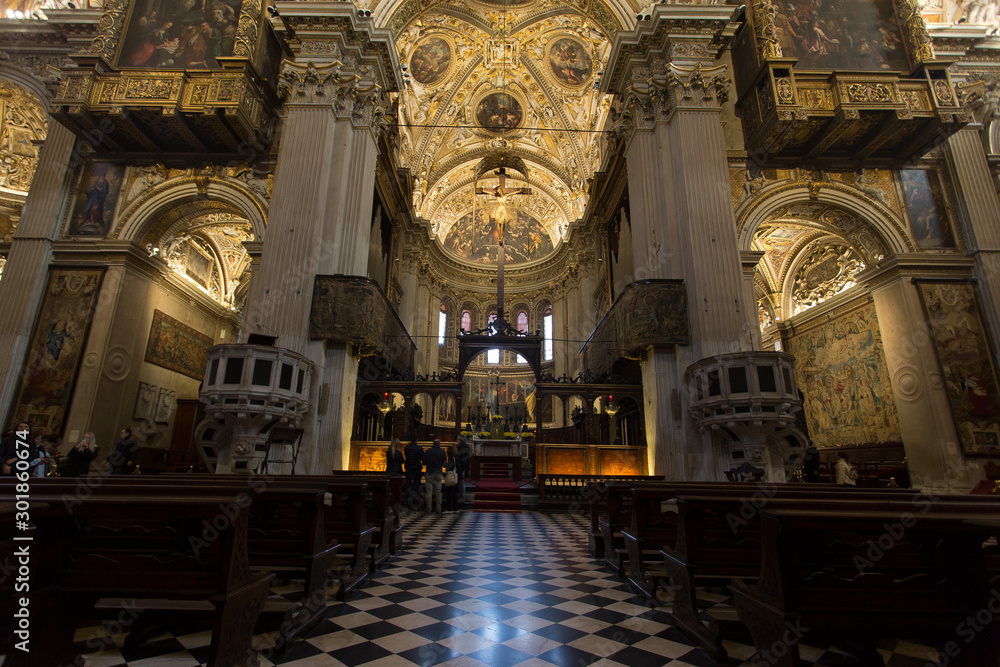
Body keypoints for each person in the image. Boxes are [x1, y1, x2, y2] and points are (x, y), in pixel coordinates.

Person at [423, 439, 447, 517]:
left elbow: (424, 462)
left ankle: (428, 509)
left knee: (429, 492)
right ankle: (438, 509)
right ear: (439, 444)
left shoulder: (427, 451)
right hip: (438, 473)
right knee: (438, 492)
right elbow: (444, 464)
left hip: (429, 473)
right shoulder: (442, 452)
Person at [403, 438, 424, 511]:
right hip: (417, 469)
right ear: (417, 440)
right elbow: (422, 457)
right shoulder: (419, 448)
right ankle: (416, 504)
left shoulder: (406, 448)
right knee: (417, 487)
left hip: (408, 468)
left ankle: (405, 504)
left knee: (407, 487)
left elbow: (406, 456)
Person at [456, 436, 471, 509]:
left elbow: (460, 456)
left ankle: (462, 496)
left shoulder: (460, 447)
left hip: (460, 466)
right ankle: (462, 495)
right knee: (461, 480)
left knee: (461, 481)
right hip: (463, 465)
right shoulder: (466, 446)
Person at [444, 445, 459, 513]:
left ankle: (450, 508)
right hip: (454, 477)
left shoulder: (450, 459)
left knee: (449, 494)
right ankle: (455, 508)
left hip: (451, 477)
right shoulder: (455, 458)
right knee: (454, 494)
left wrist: (445, 470)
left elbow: (450, 467)